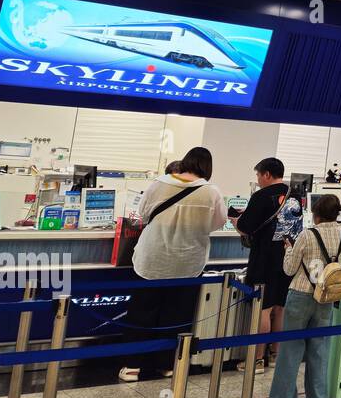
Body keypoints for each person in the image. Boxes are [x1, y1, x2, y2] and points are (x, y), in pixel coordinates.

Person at [119, 147, 227, 382]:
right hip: (188, 262)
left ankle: (132, 366)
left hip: (151, 260)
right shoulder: (211, 192)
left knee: (142, 312)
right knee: (176, 315)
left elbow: (143, 213)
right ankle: (168, 364)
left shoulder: (159, 183)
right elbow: (218, 222)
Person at [266, 194, 341, 398]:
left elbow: (289, 269)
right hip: (326, 297)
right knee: (319, 352)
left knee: (289, 353)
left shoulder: (307, 235)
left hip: (301, 295)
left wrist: (288, 248)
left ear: (315, 213)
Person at [232, 157, 296, 371]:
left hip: (264, 258)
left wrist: (236, 222)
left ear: (267, 174)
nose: (258, 180)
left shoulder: (260, 196)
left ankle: (257, 359)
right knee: (280, 307)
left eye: (259, 175)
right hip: (287, 258)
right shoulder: (294, 194)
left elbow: (246, 228)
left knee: (263, 308)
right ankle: (276, 354)